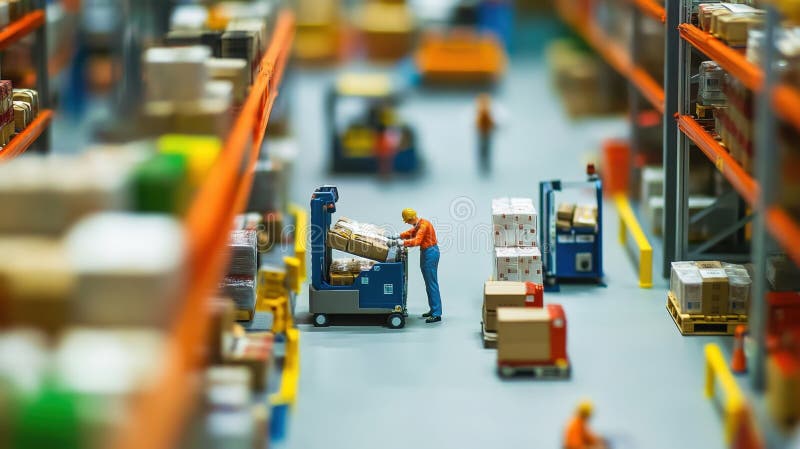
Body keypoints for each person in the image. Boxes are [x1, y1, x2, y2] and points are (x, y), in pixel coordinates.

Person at [393, 208, 442, 323]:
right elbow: (411, 233)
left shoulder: (424, 225)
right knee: (429, 283)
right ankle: (433, 309)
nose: (407, 223)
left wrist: (402, 242)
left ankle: (436, 313)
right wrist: (398, 236)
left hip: (430, 253)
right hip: (426, 252)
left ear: (410, 219)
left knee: (431, 283)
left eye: (407, 221)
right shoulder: (419, 224)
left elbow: (417, 241)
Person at [475, 93, 496, 172]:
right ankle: (484, 163)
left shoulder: (484, 112)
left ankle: (484, 163)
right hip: (484, 133)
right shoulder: (483, 112)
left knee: (484, 149)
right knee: (484, 149)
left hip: (485, 133)